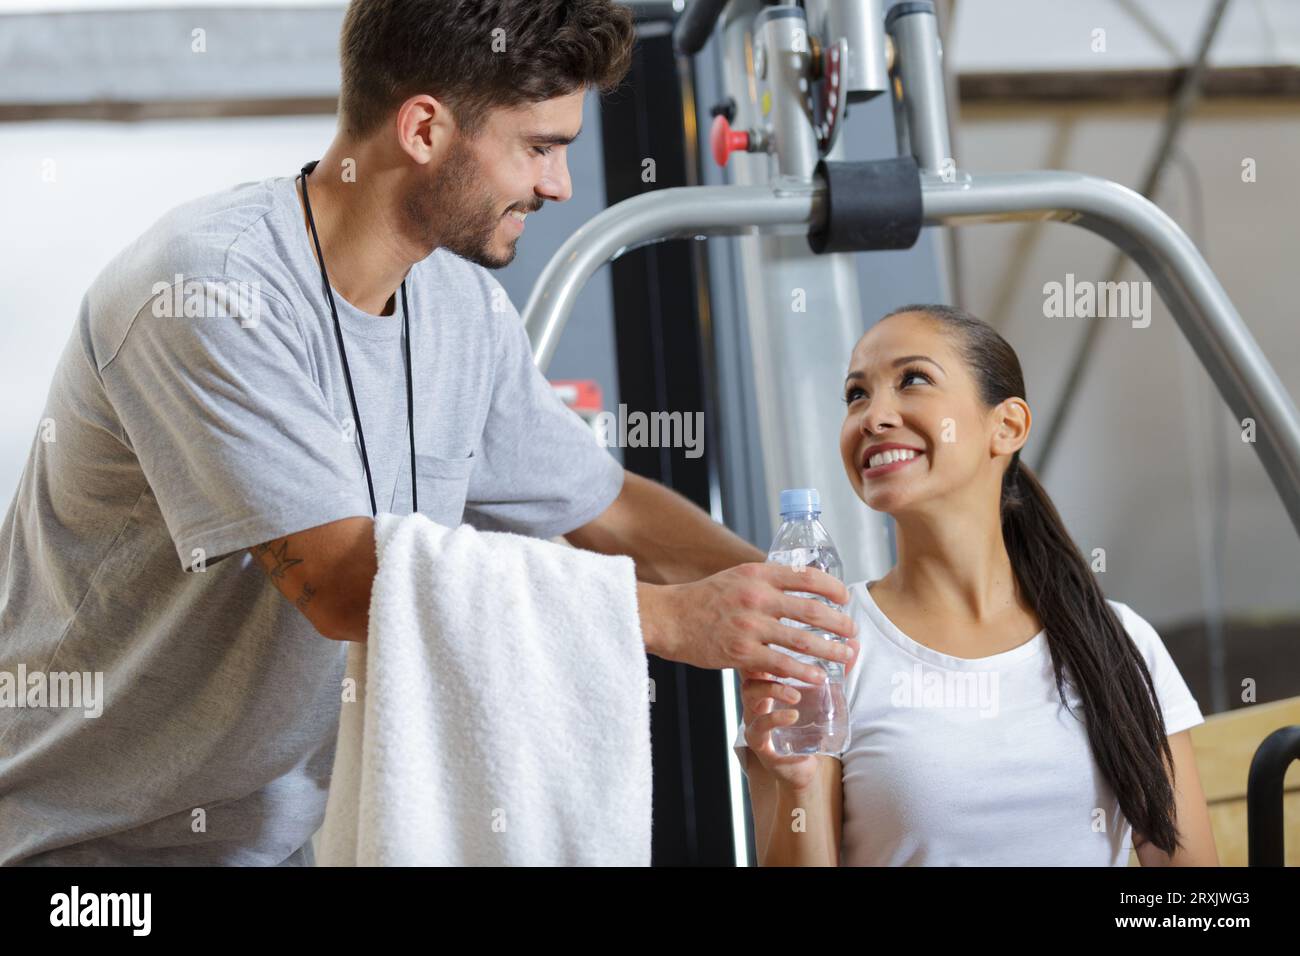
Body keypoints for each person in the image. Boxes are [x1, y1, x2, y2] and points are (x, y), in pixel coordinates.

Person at [0, 0, 857, 865]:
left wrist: (810, 618)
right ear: (422, 129)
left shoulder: (462, 308)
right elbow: (336, 583)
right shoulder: (209, 291)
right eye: (539, 147)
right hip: (83, 849)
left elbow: (603, 508)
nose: (558, 184)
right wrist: (670, 620)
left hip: (285, 842)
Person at [737, 304, 1218, 866]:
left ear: (1007, 426)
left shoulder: (1115, 640)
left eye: (912, 380)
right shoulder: (824, 647)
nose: (873, 416)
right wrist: (795, 785)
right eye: (856, 394)